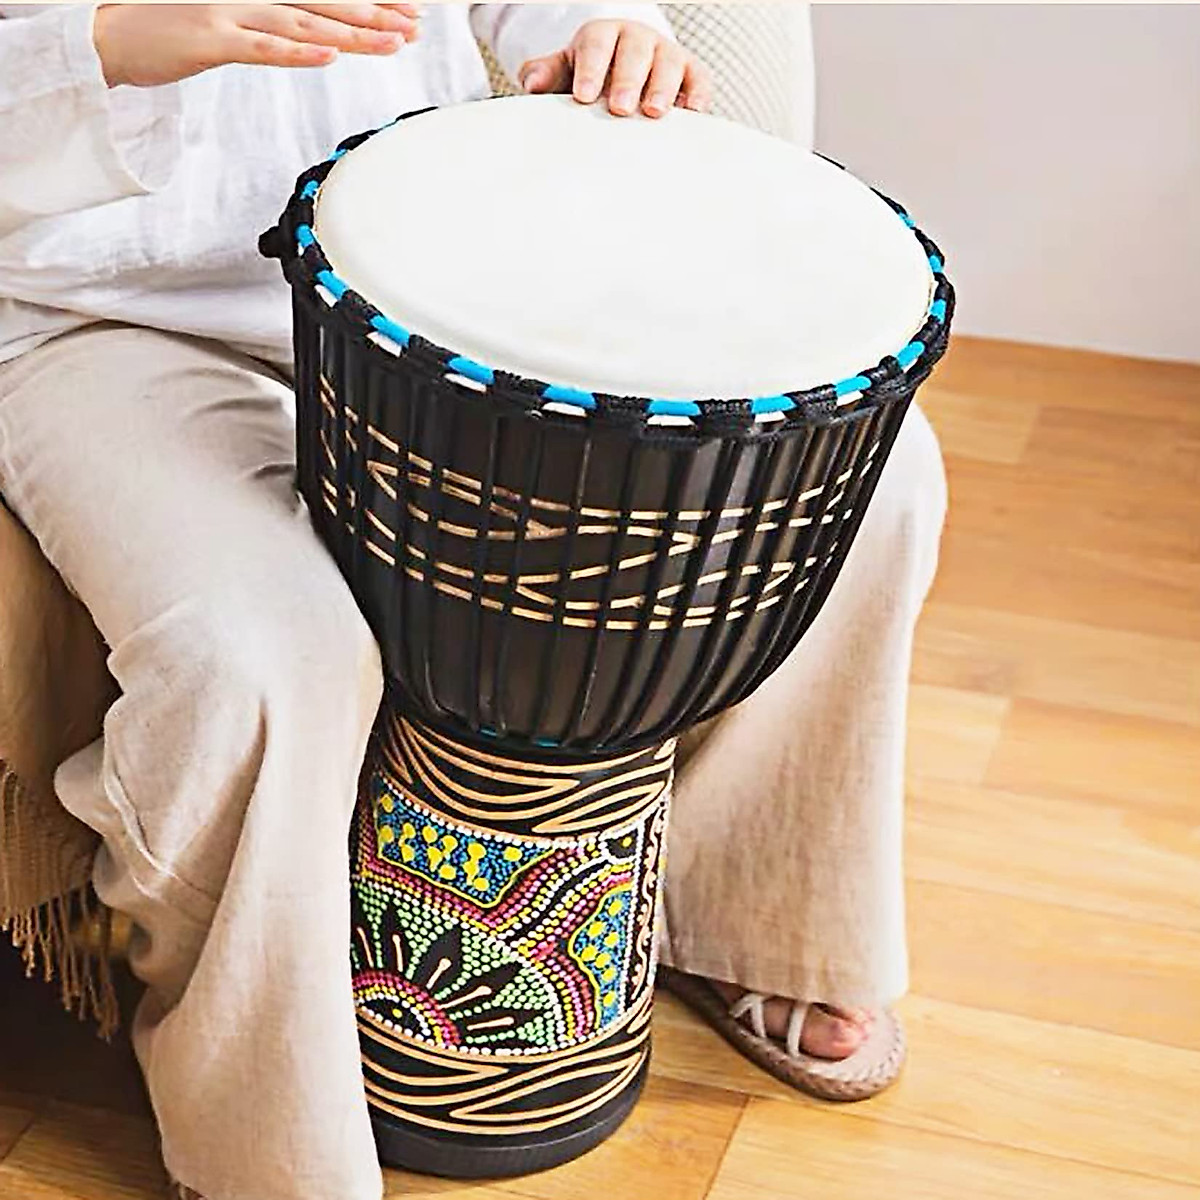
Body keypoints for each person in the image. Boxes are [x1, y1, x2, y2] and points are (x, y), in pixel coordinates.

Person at [0, 5, 946, 1199]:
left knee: (870, 476)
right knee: (263, 651)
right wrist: (110, 43)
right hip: (102, 316)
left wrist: (596, 28)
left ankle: (757, 915)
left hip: (426, 261)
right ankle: (258, 1133)